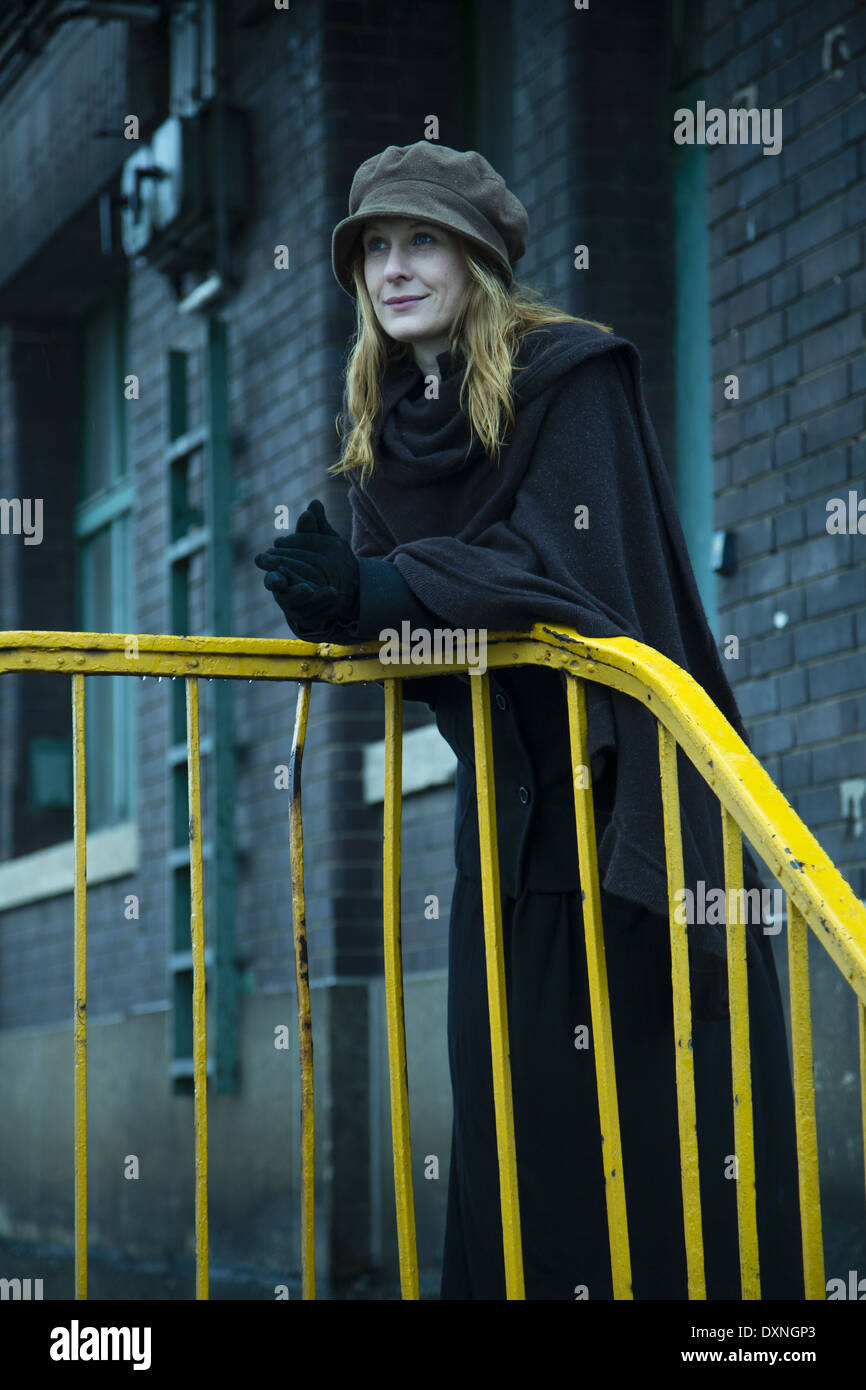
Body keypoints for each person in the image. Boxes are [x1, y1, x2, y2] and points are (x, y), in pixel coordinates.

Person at [254, 141, 805, 1300]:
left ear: (477, 258)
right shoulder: (392, 424)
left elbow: (555, 563)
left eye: (420, 241)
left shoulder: (570, 374)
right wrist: (332, 603)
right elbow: (413, 631)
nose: (392, 269)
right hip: (503, 827)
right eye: (372, 250)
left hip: (624, 810)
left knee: (645, 1142)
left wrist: (383, 589)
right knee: (515, 1144)